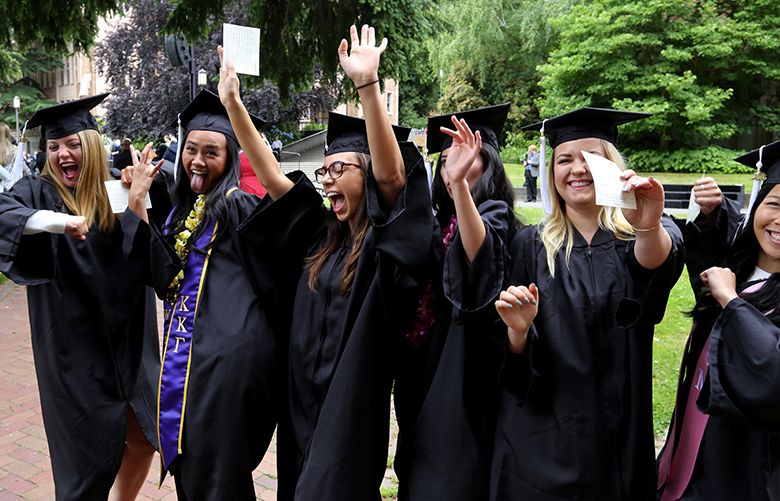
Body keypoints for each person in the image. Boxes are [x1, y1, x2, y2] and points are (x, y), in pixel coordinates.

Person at [218, 25, 433, 500]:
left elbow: (393, 177)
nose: (328, 179)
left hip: (349, 410)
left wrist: (367, 88)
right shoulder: (320, 236)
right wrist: (233, 104)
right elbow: (273, 177)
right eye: (325, 170)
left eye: (341, 169)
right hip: (298, 406)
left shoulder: (384, 246)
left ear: (367, 175)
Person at [120, 85, 324, 499]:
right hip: (193, 366)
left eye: (211, 152)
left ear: (230, 158)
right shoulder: (185, 210)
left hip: (229, 373)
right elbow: (163, 278)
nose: (197, 160)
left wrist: (235, 106)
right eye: (191, 149)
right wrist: (138, 200)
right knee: (198, 469)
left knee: (217, 475)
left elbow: (293, 211)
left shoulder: (239, 207)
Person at [491, 107, 684, 500]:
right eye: (564, 159)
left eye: (590, 158)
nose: (577, 169)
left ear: (611, 165)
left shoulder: (642, 235)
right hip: (544, 440)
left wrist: (647, 224)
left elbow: (655, 268)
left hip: (619, 438)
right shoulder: (531, 245)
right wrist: (518, 329)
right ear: (552, 172)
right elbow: (515, 369)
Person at [0, 94, 161, 500]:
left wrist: (139, 200)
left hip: (129, 342)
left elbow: (147, 259)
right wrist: (60, 222)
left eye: (71, 143)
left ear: (90, 144)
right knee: (84, 466)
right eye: (53, 146)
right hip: (74, 354)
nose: (62, 153)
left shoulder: (117, 191)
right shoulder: (36, 193)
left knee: (144, 438)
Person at [394, 103, 519, 501]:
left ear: (491, 164)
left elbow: (479, 255)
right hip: (425, 368)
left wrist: (462, 187)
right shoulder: (434, 223)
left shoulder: (495, 215)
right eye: (447, 161)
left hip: (467, 372)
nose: (454, 169)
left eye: (467, 157)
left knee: (451, 477)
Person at [656, 140, 780, 500]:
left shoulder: (730, 285)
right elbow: (715, 250)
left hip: (750, 461)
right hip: (696, 438)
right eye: (773, 204)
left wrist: (731, 300)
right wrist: (713, 212)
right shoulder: (737, 265)